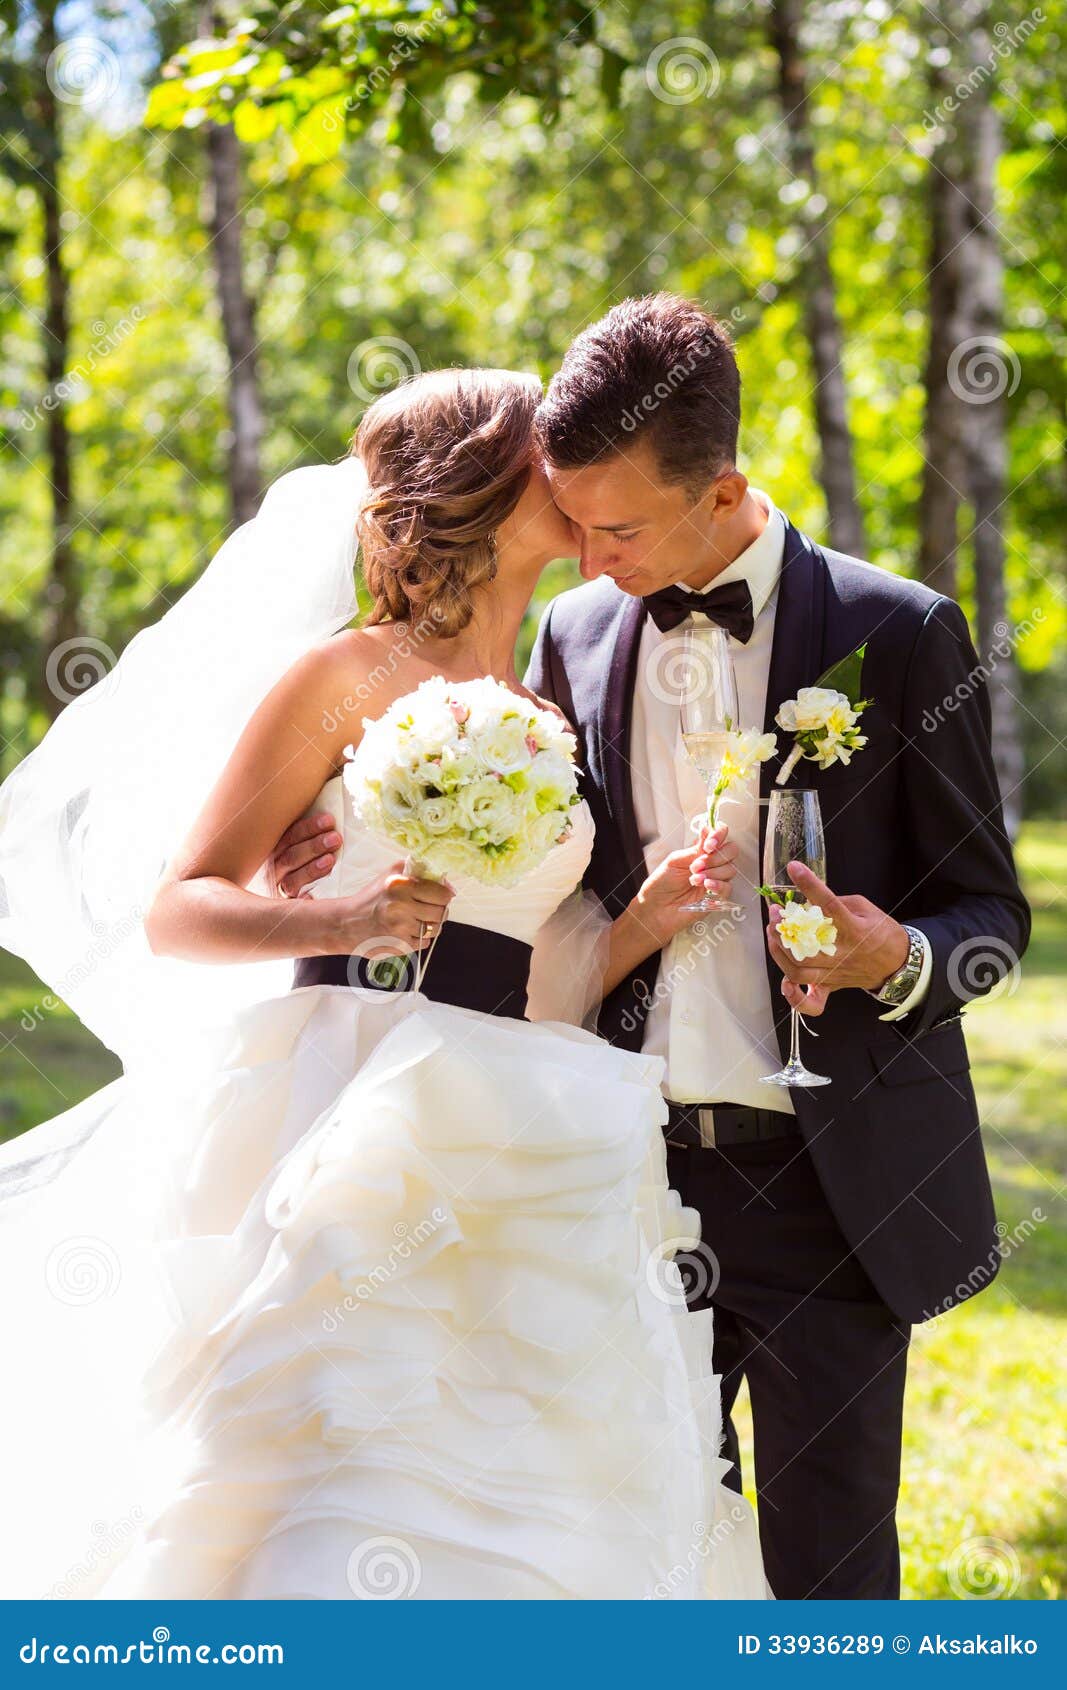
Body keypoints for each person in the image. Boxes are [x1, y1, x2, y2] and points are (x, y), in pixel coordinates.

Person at [279, 298, 1030, 1600]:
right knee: (645, 1556)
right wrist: (337, 811)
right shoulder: (574, 638)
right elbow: (532, 878)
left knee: (825, 1571)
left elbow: (989, 915)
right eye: (570, 521)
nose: (584, 555)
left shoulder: (897, 635)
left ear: (724, 487)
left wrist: (892, 956)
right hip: (616, 1179)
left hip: (826, 1188)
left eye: (614, 530)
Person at [0, 367, 766, 1600]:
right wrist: (339, 913)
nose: (573, 476)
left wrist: (637, 921)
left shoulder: (546, 697)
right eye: (545, 457)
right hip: (343, 1118)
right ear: (478, 485)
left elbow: (534, 973)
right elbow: (179, 906)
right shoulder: (344, 676)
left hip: (518, 1131)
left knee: (529, 1486)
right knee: (338, 1458)